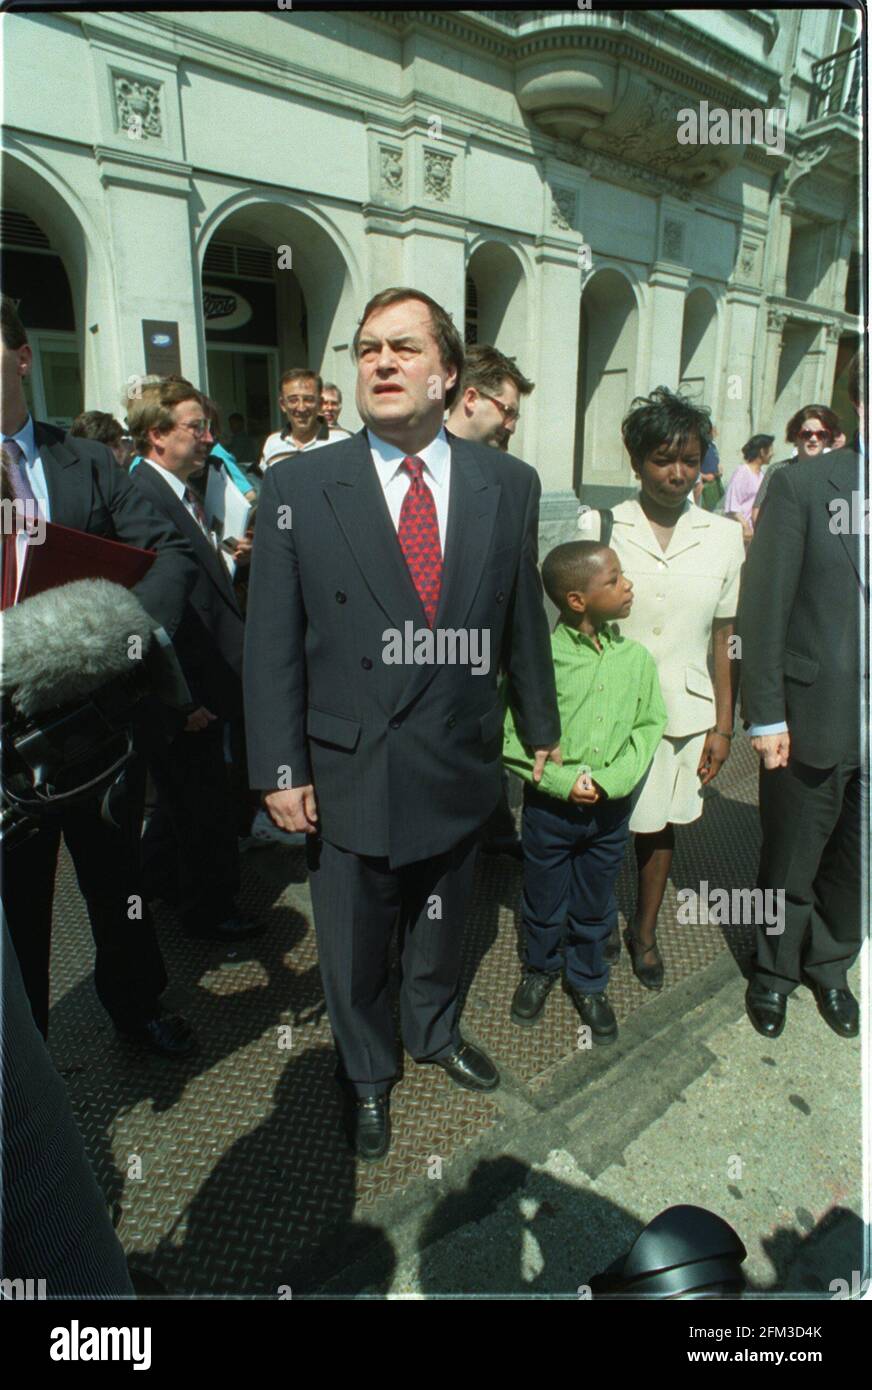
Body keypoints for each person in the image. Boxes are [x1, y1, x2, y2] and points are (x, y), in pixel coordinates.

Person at [244, 286, 561, 1161]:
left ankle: (434, 1029)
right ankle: (369, 1072)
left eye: (404, 348)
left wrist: (538, 717)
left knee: (442, 919)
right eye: (368, 348)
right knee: (351, 940)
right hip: (349, 761)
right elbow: (269, 641)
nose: (382, 362)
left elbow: (518, 617)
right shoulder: (300, 485)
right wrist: (279, 770)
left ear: (447, 374)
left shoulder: (509, 482)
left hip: (458, 756)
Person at [0, 294, 198, 1056]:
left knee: (118, 887)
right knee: (17, 910)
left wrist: (129, 636)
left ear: (22, 357)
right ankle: (27, 1063)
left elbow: (169, 555)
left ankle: (137, 1006)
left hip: (98, 728)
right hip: (7, 742)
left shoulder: (87, 461)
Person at [578, 387, 745, 989]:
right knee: (594, 830)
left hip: (683, 713)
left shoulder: (724, 537)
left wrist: (724, 726)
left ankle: (642, 932)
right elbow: (572, 629)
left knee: (659, 828)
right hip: (603, 715)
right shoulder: (601, 525)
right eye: (661, 458)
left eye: (690, 458)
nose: (677, 473)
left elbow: (726, 637)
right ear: (636, 460)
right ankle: (591, 929)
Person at [737, 353, 866, 1041]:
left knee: (857, 859)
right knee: (793, 853)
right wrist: (766, 713)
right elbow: (764, 607)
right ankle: (775, 972)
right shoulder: (805, 486)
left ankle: (832, 965)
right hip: (815, 712)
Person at [504, 542, 666, 1043]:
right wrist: (560, 782)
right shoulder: (539, 664)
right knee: (543, 900)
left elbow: (649, 724)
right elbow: (511, 738)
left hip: (608, 816)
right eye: (614, 579)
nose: (628, 586)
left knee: (596, 903)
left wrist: (611, 781)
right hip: (549, 814)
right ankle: (540, 968)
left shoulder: (635, 659)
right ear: (577, 600)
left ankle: (589, 980)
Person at [127, 377, 260, 944]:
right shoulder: (140, 496)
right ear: (157, 435)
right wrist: (179, 700)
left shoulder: (179, 488)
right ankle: (209, 911)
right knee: (202, 804)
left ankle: (158, 879)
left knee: (182, 802)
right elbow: (152, 612)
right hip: (188, 693)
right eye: (195, 428)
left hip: (207, 680)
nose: (209, 438)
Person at [446, 343, 536, 859]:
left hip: (482, 670)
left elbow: (524, 591)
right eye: (509, 411)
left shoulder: (513, 481)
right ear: (473, 398)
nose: (513, 426)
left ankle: (493, 832)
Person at [751, 404, 840, 527]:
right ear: (795, 436)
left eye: (821, 434)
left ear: (828, 439)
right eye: (807, 434)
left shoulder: (834, 475)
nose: (814, 439)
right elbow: (757, 513)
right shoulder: (778, 470)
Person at [258, 369, 341, 467]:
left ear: (320, 403)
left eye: (308, 399)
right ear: (283, 404)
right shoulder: (272, 444)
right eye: (293, 400)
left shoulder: (341, 441)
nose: (301, 408)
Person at [723, 433, 775, 543]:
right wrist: (745, 526)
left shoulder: (762, 475)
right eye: (770, 450)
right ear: (762, 452)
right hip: (738, 532)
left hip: (752, 533)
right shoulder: (742, 472)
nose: (772, 454)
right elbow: (733, 505)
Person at [696, 427, 723, 510]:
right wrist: (703, 476)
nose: (716, 433)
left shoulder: (713, 445)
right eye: (714, 430)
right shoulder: (700, 446)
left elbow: (716, 459)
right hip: (702, 484)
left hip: (714, 482)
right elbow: (692, 465)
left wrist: (719, 468)